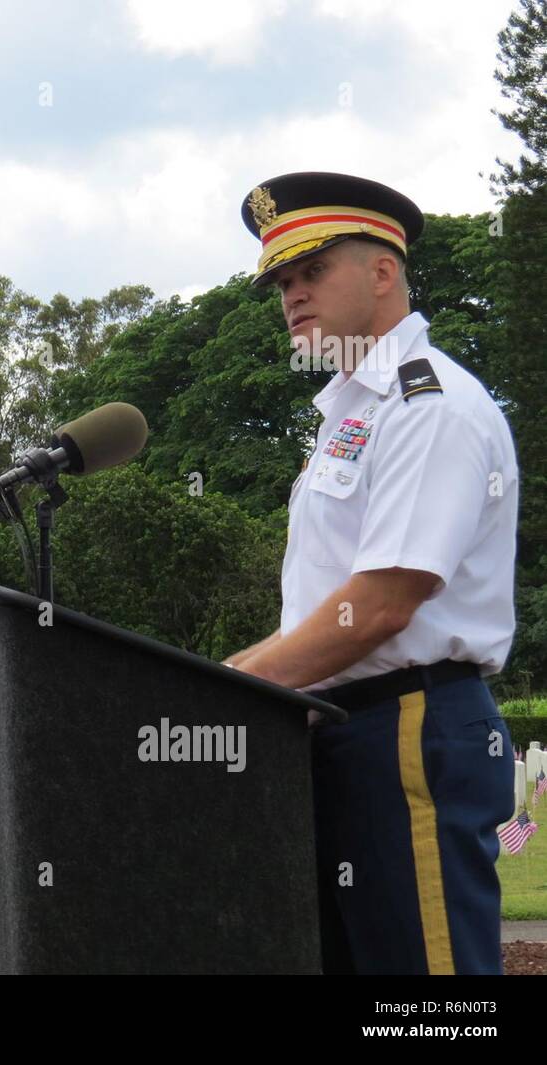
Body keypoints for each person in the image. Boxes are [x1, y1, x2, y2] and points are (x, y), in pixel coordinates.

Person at [225, 172, 519, 975]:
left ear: (383, 271)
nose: (293, 295)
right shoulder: (353, 412)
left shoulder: (429, 406)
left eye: (312, 271)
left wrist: (226, 689)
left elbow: (384, 602)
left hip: (408, 729)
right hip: (343, 731)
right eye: (283, 281)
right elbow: (325, 609)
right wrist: (221, 680)